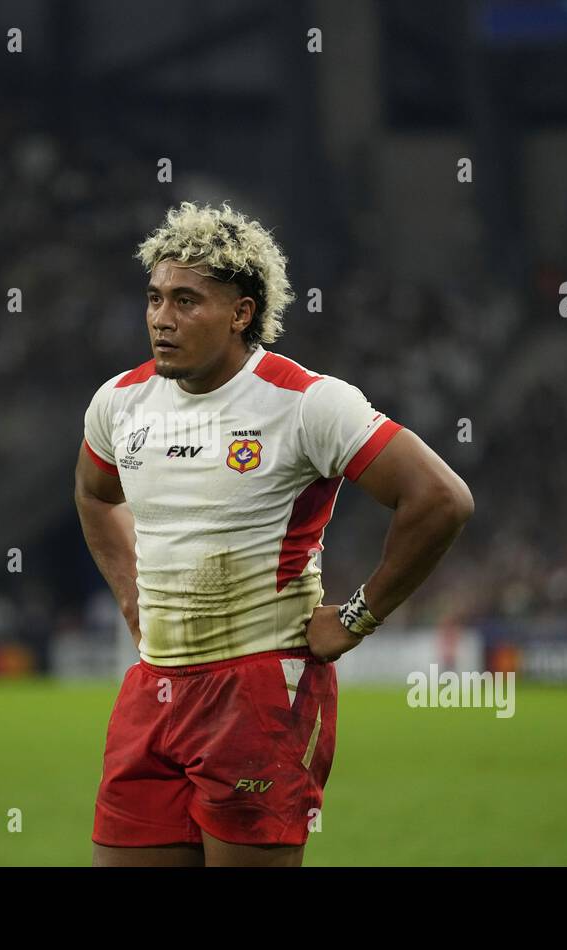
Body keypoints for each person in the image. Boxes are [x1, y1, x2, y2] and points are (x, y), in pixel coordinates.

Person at [74, 201, 474, 866]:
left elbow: (439, 498)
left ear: (242, 312)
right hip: (153, 688)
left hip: (260, 688)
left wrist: (356, 616)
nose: (161, 318)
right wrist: (127, 592)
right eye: (153, 298)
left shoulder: (307, 402)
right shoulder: (120, 402)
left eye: (186, 300)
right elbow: (93, 492)